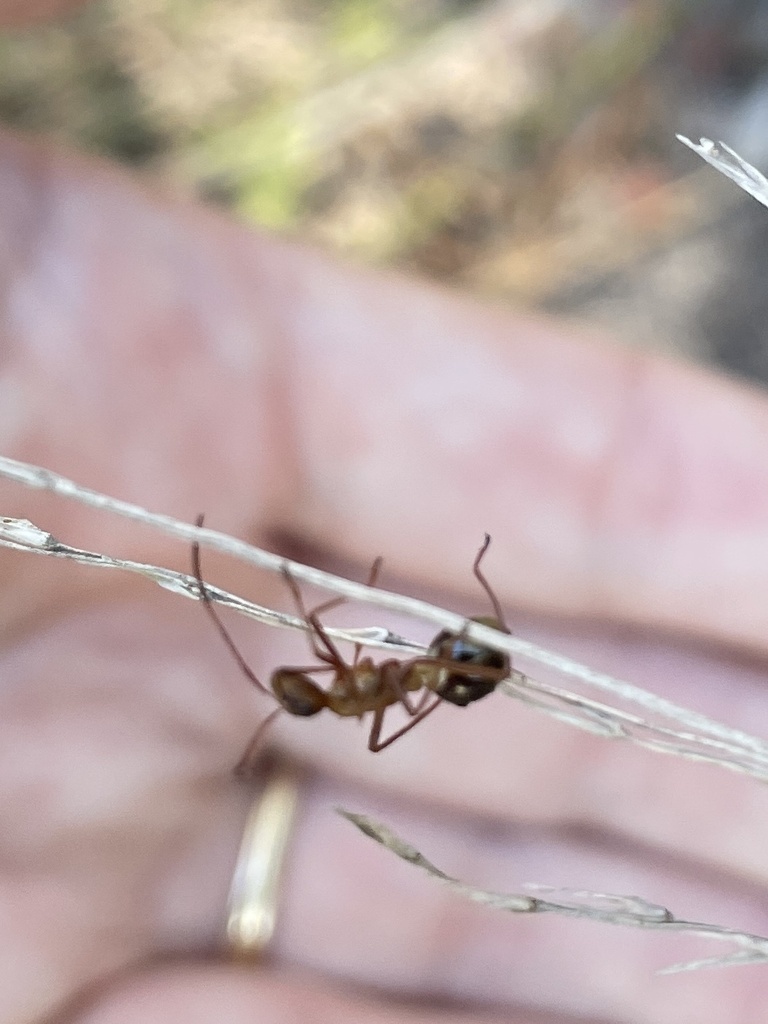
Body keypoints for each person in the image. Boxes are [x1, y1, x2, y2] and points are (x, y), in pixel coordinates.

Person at [3, 2, 768, 1021]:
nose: (313, 675)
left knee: (441, 629)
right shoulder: (367, 693)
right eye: (304, 686)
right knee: (445, 642)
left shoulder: (351, 677)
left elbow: (348, 666)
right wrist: (382, 667)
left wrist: (358, 634)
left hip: (433, 672)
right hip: (438, 678)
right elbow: (377, 712)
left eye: (302, 682)